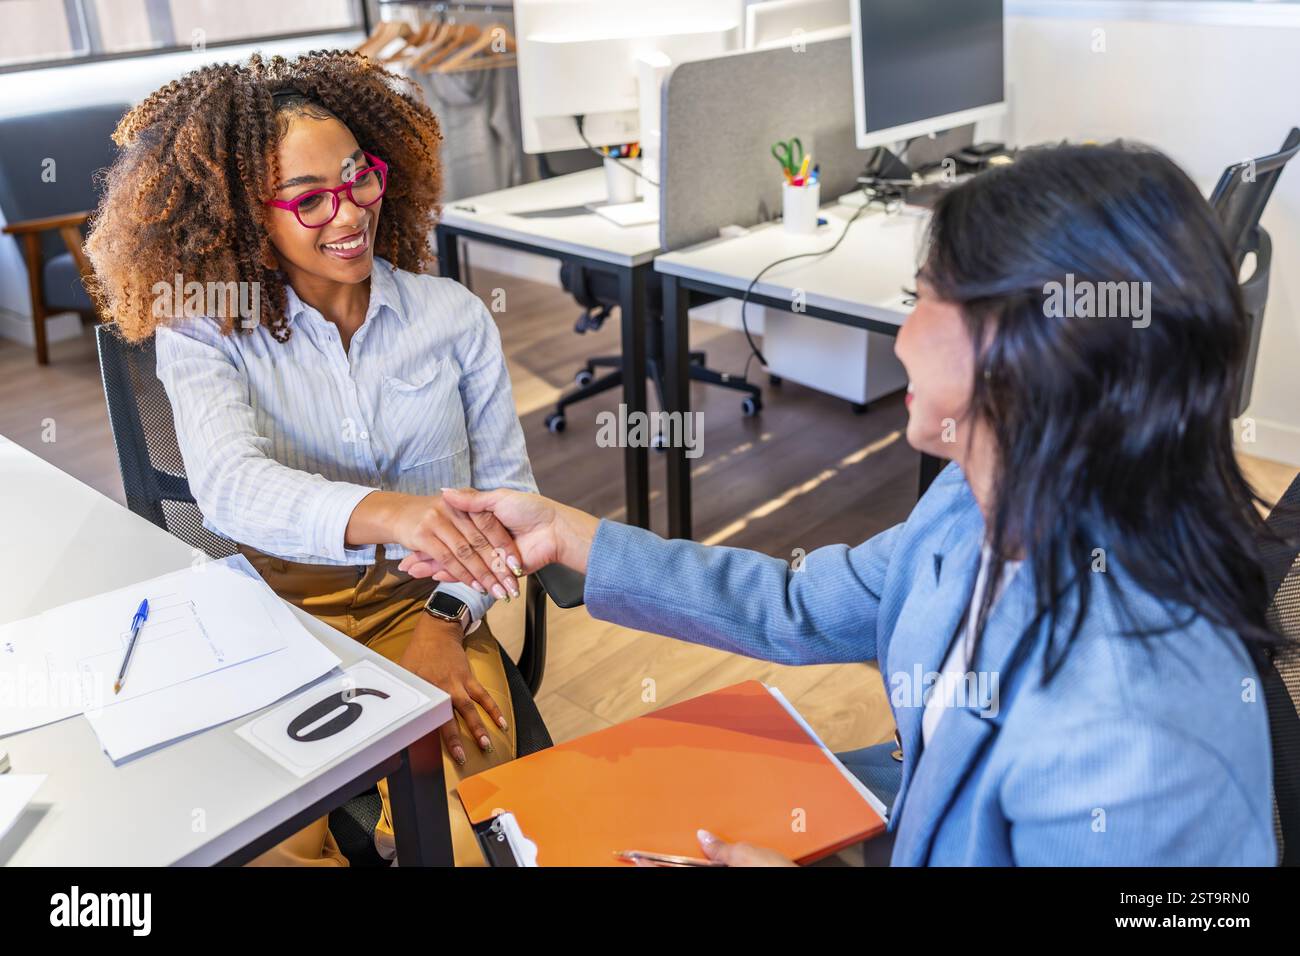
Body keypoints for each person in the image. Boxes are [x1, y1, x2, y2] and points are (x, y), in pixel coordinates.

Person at [403, 143, 1280, 866]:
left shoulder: (1134, 737)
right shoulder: (980, 505)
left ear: (1022, 351)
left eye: (923, 297)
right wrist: (570, 533)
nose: (900, 334)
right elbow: (796, 604)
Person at [85, 51, 535, 866]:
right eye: (310, 199)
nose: (350, 212)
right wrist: (396, 512)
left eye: (361, 177)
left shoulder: (455, 318)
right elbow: (226, 488)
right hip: (279, 619)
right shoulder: (205, 330)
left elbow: (510, 501)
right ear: (242, 214)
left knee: (458, 841)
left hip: (425, 601)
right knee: (271, 843)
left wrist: (444, 622)